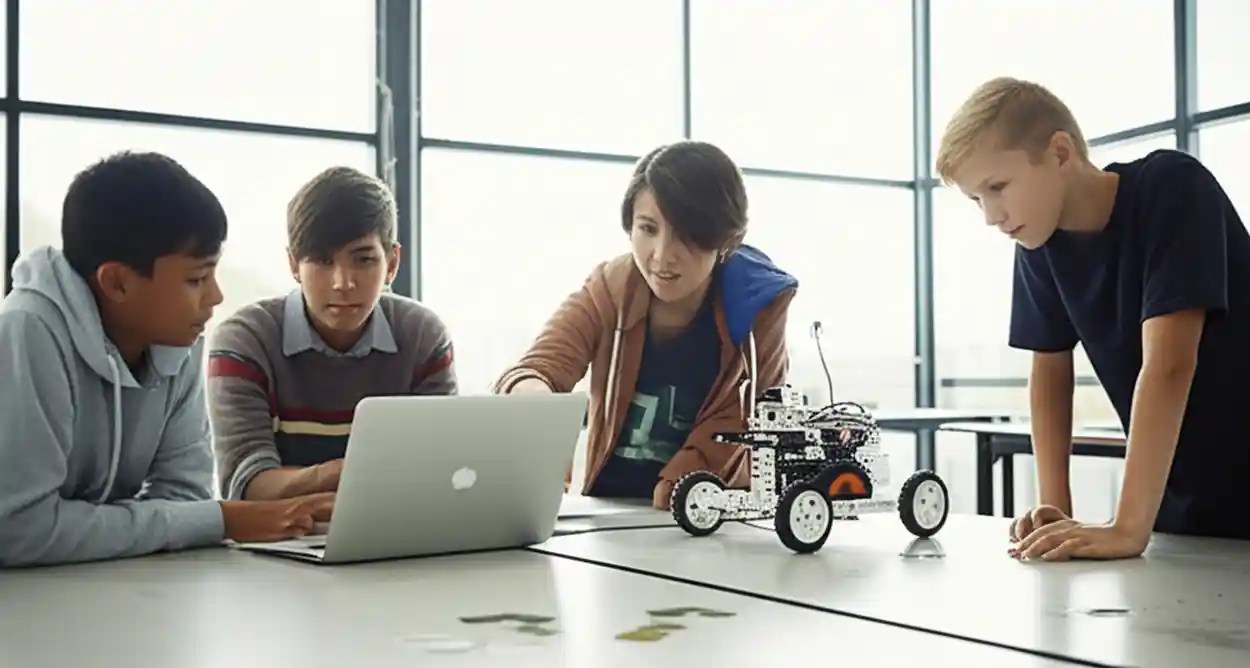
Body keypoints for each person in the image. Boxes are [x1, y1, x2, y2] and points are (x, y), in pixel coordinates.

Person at [935, 77, 1250, 560]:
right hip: (1185, 516)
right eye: (977, 199)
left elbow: (1169, 364)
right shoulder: (1038, 242)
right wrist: (1055, 508)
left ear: (1060, 153)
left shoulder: (1172, 187)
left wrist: (1127, 528)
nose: (991, 216)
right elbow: (1049, 373)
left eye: (998, 187)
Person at [0, 151, 332, 567]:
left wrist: (206, 520)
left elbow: (185, 499)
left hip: (104, 584)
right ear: (117, 283)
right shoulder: (28, 332)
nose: (215, 297)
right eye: (196, 279)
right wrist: (224, 519)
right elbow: (19, 530)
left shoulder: (176, 337)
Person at [493, 141, 797, 509]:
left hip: (710, 515)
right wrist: (540, 417)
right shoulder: (610, 288)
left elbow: (752, 418)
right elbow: (534, 369)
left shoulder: (758, 306)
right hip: (610, 515)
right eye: (648, 228)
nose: (662, 255)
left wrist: (681, 487)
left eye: (686, 235)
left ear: (726, 240)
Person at [207, 166, 457, 502]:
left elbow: (441, 470)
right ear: (294, 264)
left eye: (363, 260)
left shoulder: (423, 337)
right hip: (284, 533)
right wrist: (346, 473)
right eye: (322, 261)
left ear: (392, 263)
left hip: (399, 525)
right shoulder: (246, 342)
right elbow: (246, 486)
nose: (343, 282)